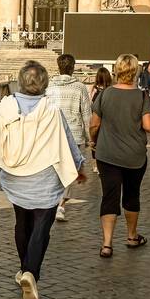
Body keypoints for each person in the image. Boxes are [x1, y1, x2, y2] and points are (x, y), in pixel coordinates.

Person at [0, 60, 85, 299]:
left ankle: (23, 268)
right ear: (44, 83)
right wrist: (78, 166)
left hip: (16, 175)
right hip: (45, 176)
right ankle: (31, 272)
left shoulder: (6, 106)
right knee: (41, 226)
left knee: (22, 221)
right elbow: (66, 139)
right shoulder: (51, 109)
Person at [89, 53, 150, 258]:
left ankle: (107, 243)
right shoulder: (141, 96)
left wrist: (94, 139)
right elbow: (148, 126)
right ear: (136, 71)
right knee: (131, 194)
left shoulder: (105, 94)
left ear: (117, 71)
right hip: (134, 155)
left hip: (107, 154)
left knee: (109, 196)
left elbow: (94, 124)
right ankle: (131, 236)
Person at [44, 53, 91, 221]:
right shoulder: (80, 87)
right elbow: (86, 115)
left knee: (53, 169)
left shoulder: (48, 86)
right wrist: (89, 137)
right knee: (70, 172)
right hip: (75, 134)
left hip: (52, 134)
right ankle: (61, 205)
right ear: (73, 67)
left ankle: (52, 202)